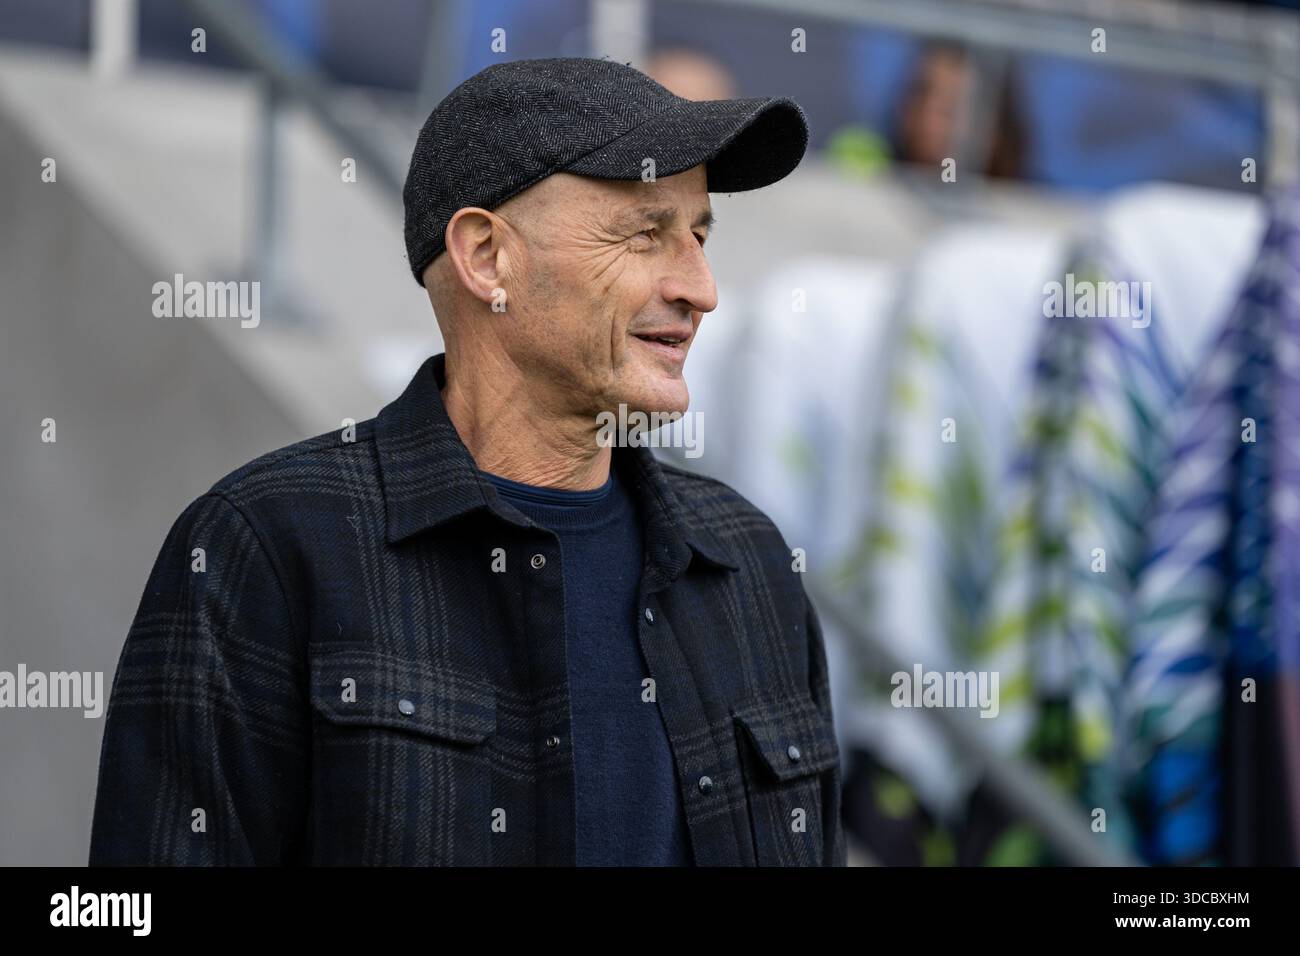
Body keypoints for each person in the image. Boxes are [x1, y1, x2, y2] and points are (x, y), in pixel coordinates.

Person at [89, 56, 845, 866]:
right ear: (487, 258)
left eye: (698, 236)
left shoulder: (747, 564)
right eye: (645, 234)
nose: (702, 288)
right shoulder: (269, 549)